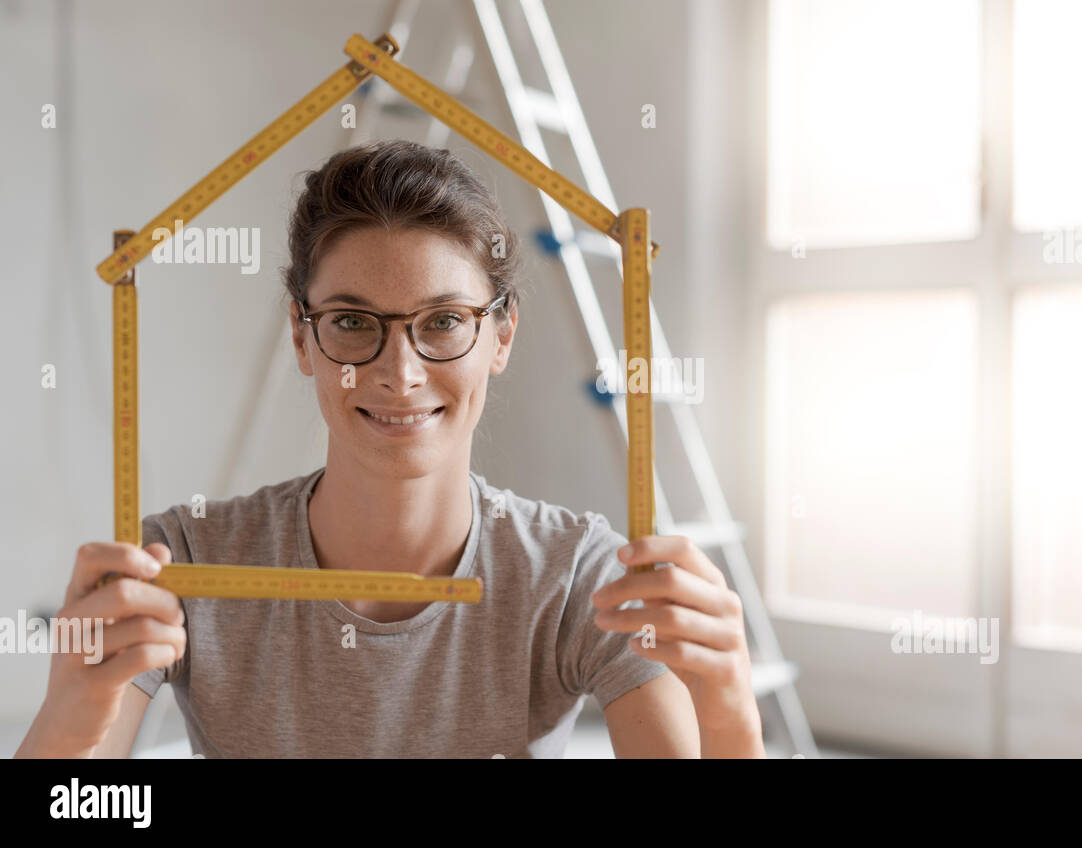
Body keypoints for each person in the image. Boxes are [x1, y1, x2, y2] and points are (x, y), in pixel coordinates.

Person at [16, 140, 763, 758]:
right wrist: (71, 719)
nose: (398, 373)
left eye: (443, 322)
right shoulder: (183, 559)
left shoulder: (578, 579)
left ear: (501, 337)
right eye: (350, 321)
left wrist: (729, 712)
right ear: (302, 336)